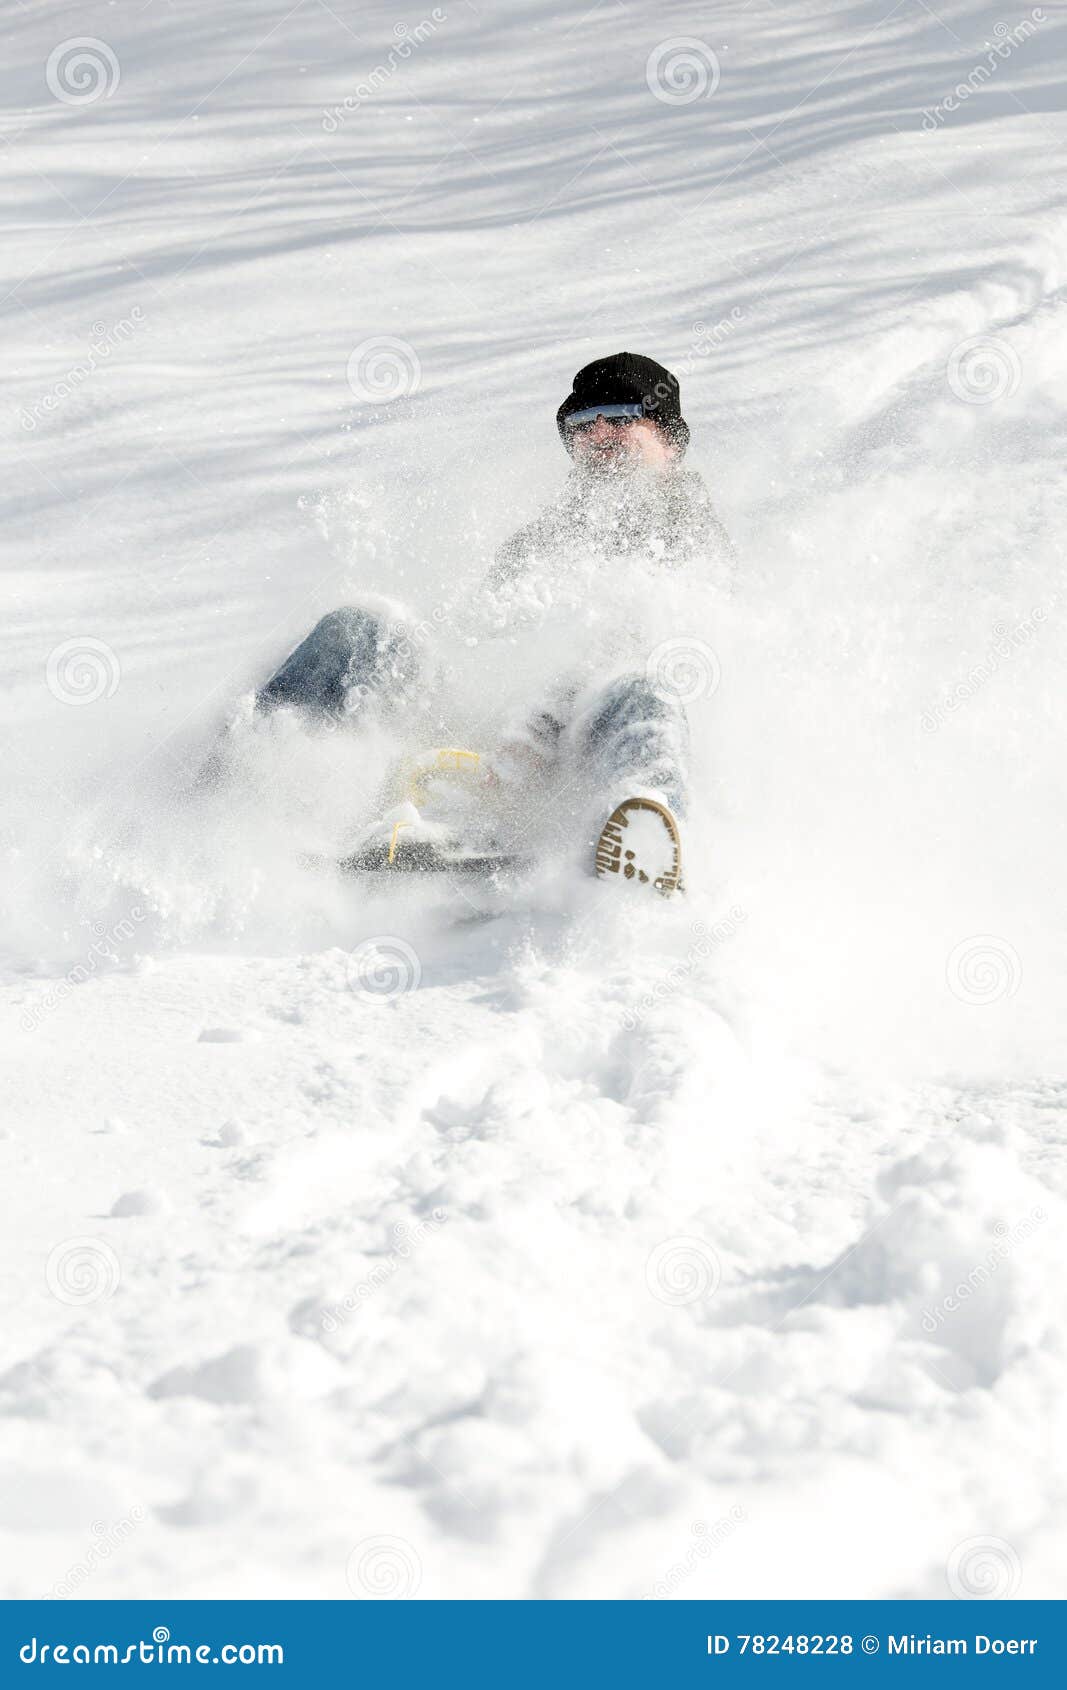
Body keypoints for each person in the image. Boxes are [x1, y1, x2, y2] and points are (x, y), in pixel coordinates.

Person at [255, 353, 733, 894]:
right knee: (367, 627)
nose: (598, 432)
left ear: (669, 441)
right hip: (486, 756)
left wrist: (533, 734)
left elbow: (628, 650)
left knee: (642, 683)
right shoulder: (537, 544)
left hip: (574, 764)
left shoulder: (688, 540)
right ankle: (247, 807)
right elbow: (478, 643)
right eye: (581, 423)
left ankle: (641, 838)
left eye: (621, 417)